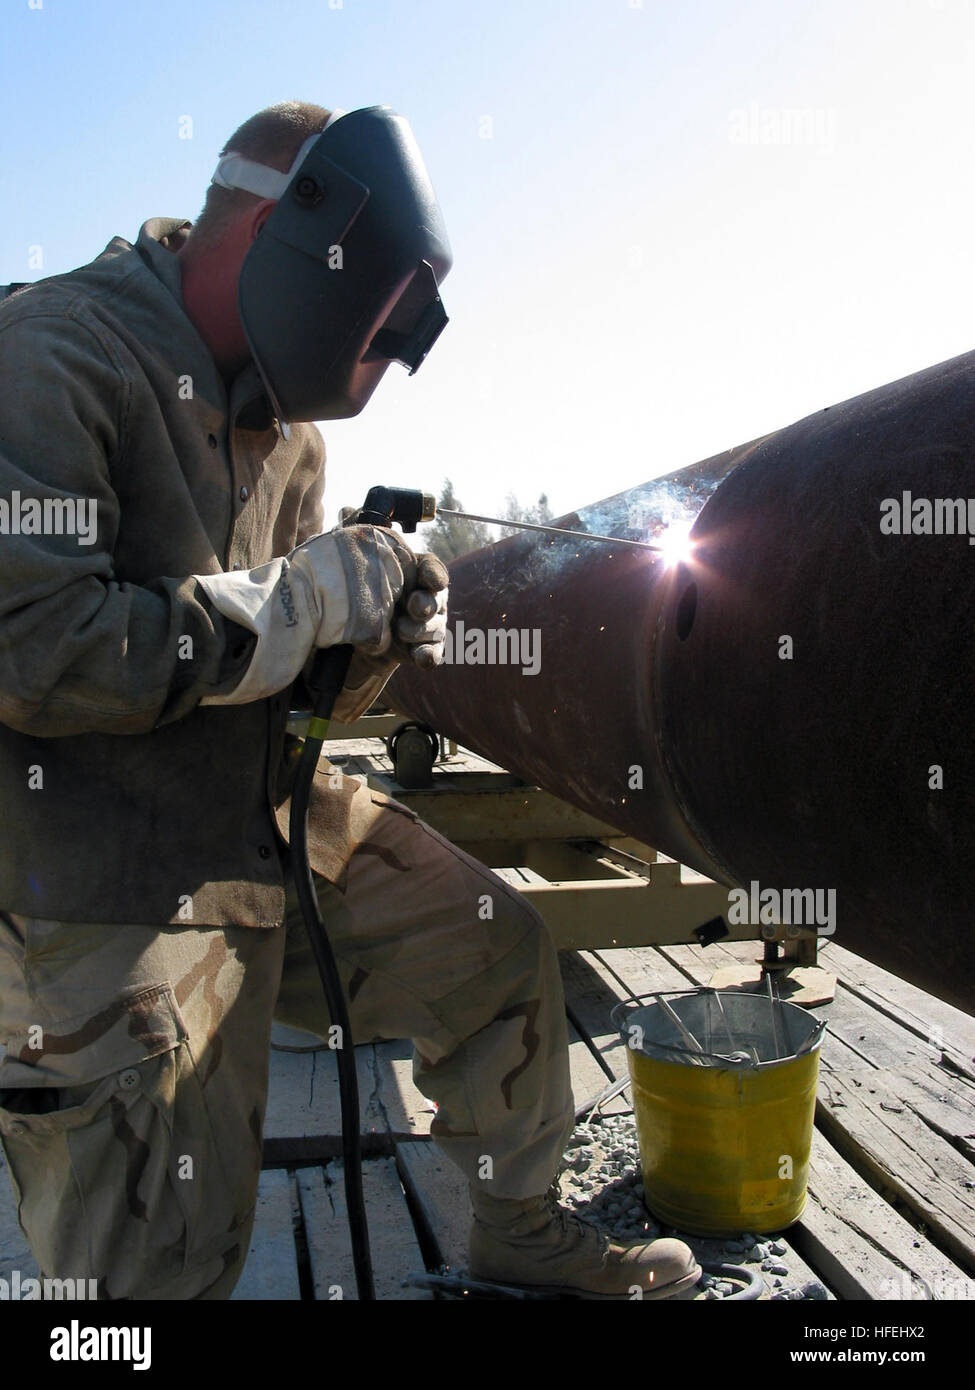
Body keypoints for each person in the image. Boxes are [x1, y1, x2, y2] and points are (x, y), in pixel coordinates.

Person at [0, 101, 700, 1300]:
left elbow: (300, 681)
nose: (366, 360)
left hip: (266, 812)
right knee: (153, 1269)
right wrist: (278, 606)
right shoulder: (50, 353)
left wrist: (370, 633)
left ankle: (518, 1230)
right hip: (95, 867)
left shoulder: (290, 433)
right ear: (282, 233)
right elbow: (29, 648)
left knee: (493, 951)